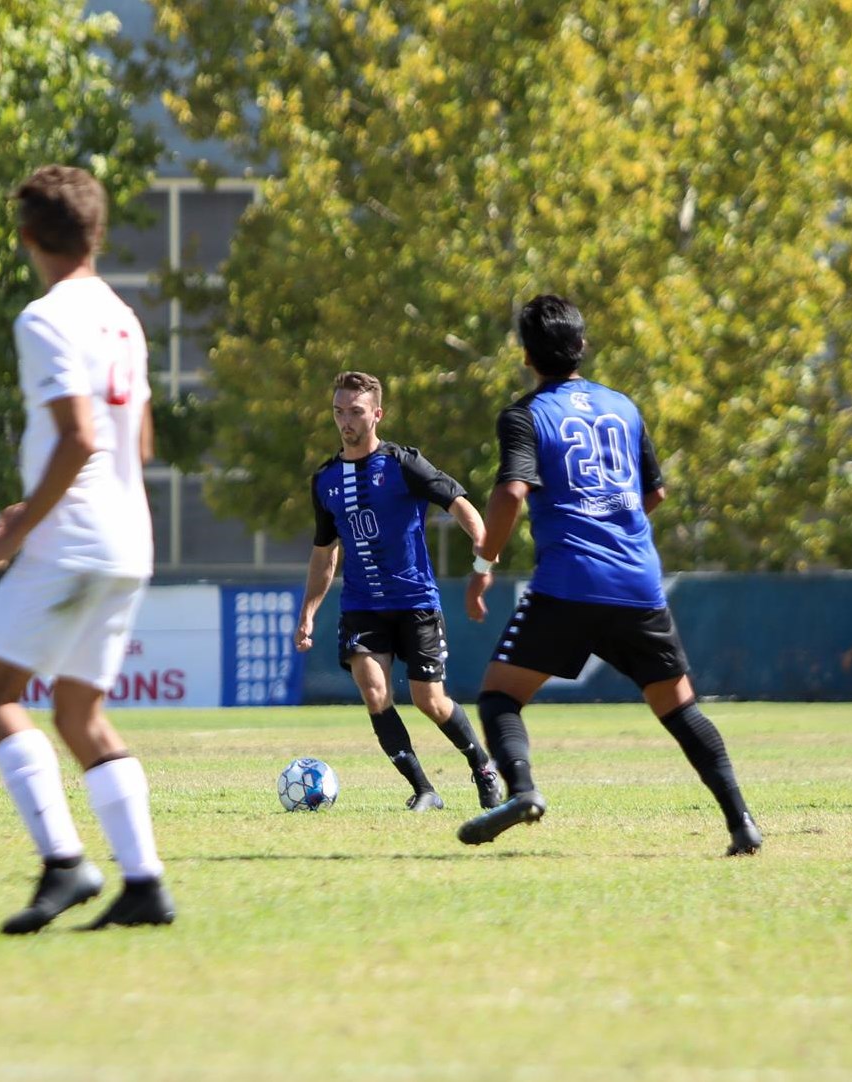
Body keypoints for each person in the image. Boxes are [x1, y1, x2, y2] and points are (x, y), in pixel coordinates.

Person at [456, 294, 763, 856]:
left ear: (526, 354)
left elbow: (511, 492)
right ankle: (742, 823)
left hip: (567, 584)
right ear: (582, 347)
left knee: (499, 696)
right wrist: (612, 525)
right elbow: (656, 492)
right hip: (636, 584)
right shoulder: (624, 407)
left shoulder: (524, 414)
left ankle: (523, 791)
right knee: (681, 708)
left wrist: (484, 563)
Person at [0, 164, 171, 934]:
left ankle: (65, 863)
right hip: (127, 537)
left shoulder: (43, 319)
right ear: (97, 231)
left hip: (72, 540)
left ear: (26, 239)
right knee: (80, 713)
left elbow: (79, 437)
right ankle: (144, 883)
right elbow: (134, 440)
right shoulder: (124, 317)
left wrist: (18, 527)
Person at [295, 371, 501, 811]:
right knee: (374, 691)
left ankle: (482, 765)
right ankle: (425, 789)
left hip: (415, 601)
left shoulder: (403, 464)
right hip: (362, 605)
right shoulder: (326, 480)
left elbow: (458, 502)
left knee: (430, 700)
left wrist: (482, 544)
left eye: (355, 411)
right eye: (338, 411)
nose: (345, 420)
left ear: (377, 414)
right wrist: (309, 611)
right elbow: (324, 554)